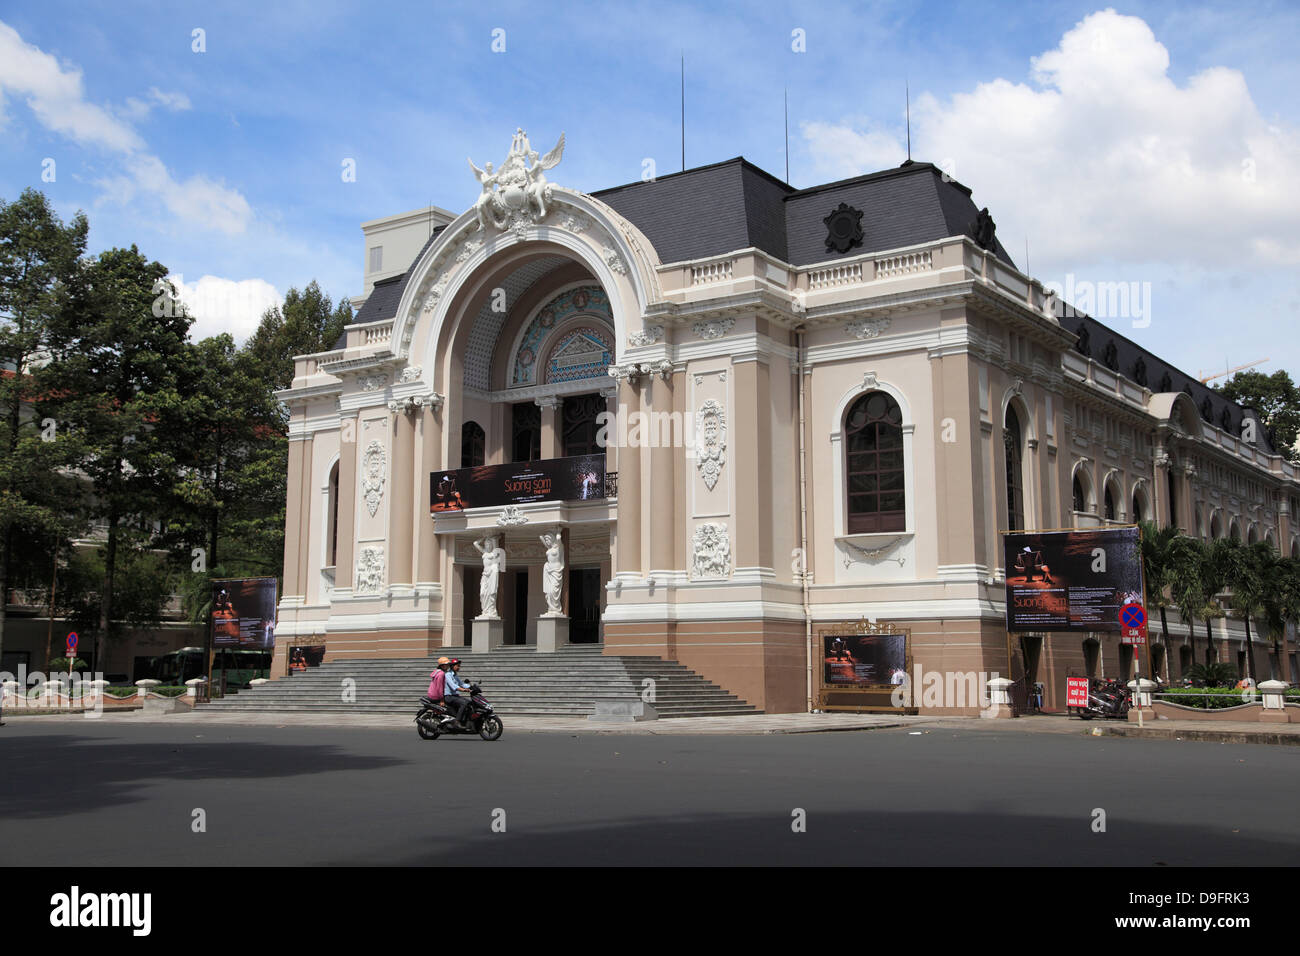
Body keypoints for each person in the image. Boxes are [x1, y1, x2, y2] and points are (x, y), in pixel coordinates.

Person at [442, 658, 473, 727]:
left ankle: (465, 720)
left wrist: (471, 687)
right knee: (464, 703)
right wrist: (464, 690)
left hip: (454, 696)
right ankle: (457, 721)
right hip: (448, 697)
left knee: (469, 702)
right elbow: (454, 686)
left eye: (459, 666)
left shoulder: (455, 675)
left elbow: (461, 684)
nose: (459, 667)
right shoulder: (448, 675)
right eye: (457, 666)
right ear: (453, 666)